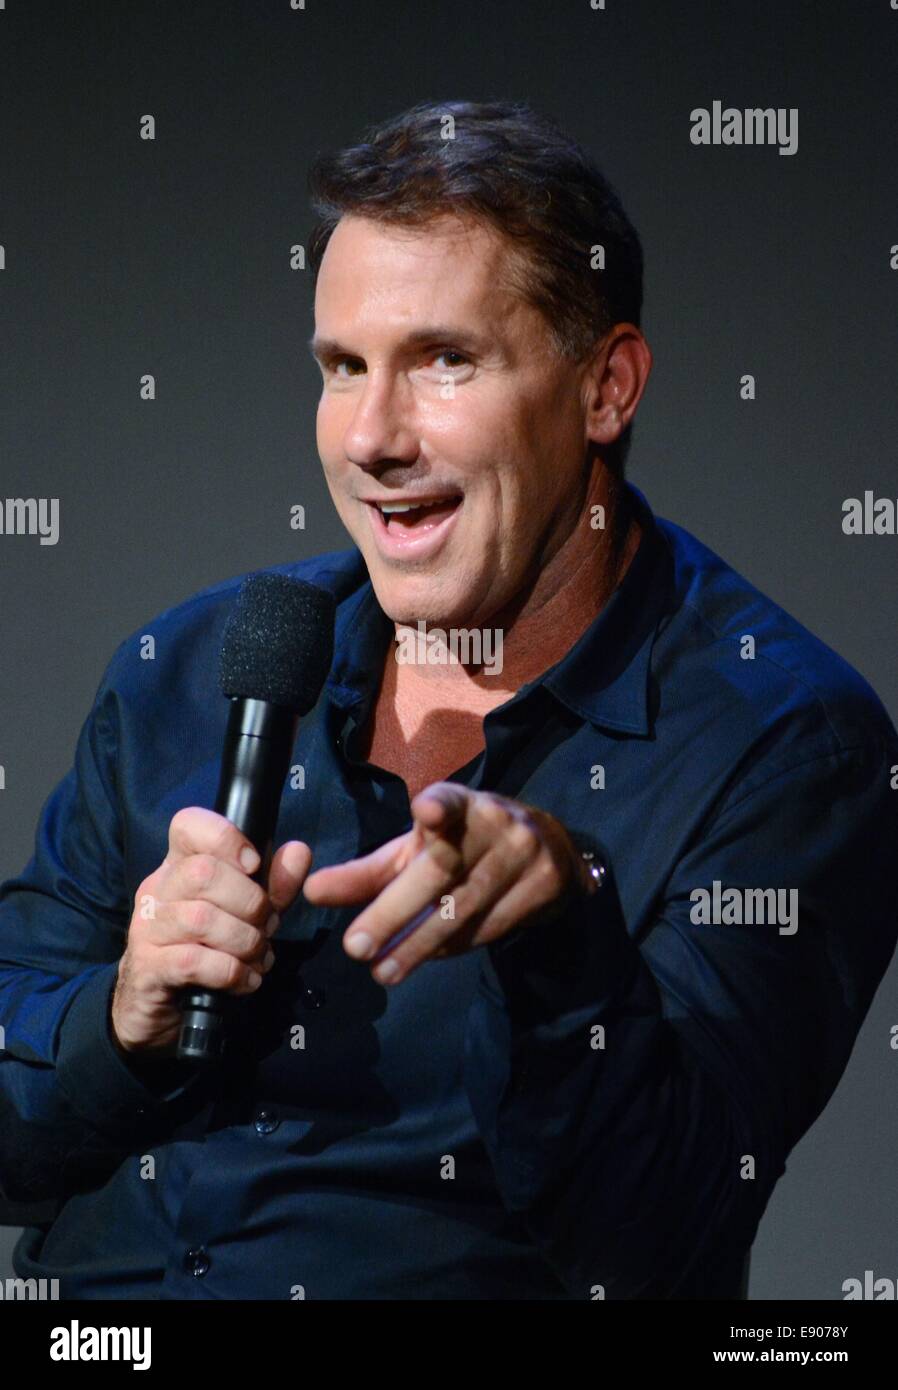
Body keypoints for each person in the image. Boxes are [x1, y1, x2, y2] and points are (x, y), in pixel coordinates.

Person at [1, 99, 896, 1301]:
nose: (371, 437)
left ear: (606, 388)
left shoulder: (785, 742)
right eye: (342, 368)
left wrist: (564, 948)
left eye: (444, 360)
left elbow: (662, 1243)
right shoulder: (197, 663)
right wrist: (120, 1020)